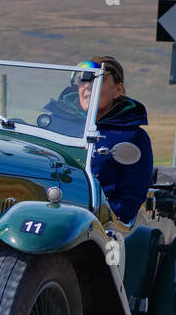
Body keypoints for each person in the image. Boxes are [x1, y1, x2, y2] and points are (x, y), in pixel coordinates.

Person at [41, 55, 153, 224]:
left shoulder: (133, 137)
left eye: (97, 80)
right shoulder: (53, 123)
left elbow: (129, 200)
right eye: (83, 81)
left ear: (118, 90)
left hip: (97, 222)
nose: (87, 87)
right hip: (45, 210)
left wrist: (98, 219)